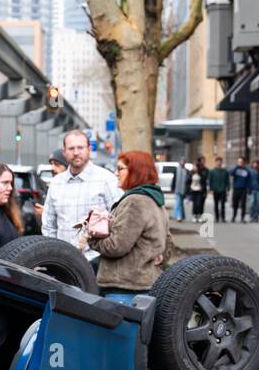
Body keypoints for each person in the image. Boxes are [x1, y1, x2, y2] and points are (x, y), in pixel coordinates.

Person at [88, 150, 168, 305]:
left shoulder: (134, 202)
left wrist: (92, 237)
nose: (115, 173)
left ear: (136, 172)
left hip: (123, 288)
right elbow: (167, 245)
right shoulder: (156, 201)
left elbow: (116, 246)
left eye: (120, 169)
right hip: (145, 284)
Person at [41, 129, 121, 249]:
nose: (76, 152)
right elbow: (49, 226)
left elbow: (119, 221)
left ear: (89, 150)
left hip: (97, 259)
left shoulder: (106, 179)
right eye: (71, 148)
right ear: (64, 152)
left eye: (80, 148)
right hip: (64, 260)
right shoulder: (56, 183)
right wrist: (53, 253)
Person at [186, 155, 209, 221]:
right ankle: (195, 215)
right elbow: (188, 181)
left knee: (200, 203)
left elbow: (204, 179)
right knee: (195, 203)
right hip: (193, 190)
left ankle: (200, 215)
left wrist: (198, 171)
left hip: (200, 190)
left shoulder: (203, 171)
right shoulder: (191, 172)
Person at [208, 156, 230, 222]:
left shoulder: (225, 172)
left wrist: (228, 189)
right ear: (216, 162)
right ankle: (217, 217)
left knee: (223, 205)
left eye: (220, 162)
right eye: (218, 162)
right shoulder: (212, 171)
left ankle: (223, 218)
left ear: (222, 162)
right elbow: (210, 181)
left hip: (223, 190)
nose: (219, 163)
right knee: (216, 204)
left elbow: (227, 181)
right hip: (215, 190)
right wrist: (211, 189)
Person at [230, 156, 251, 221]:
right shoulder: (236, 169)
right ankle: (234, 217)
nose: (240, 163)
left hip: (243, 189)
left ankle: (242, 218)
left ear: (244, 162)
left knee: (243, 204)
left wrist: (248, 188)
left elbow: (249, 180)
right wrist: (236, 166)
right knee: (235, 203)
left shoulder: (247, 170)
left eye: (241, 162)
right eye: (239, 162)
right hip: (236, 188)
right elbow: (231, 173)